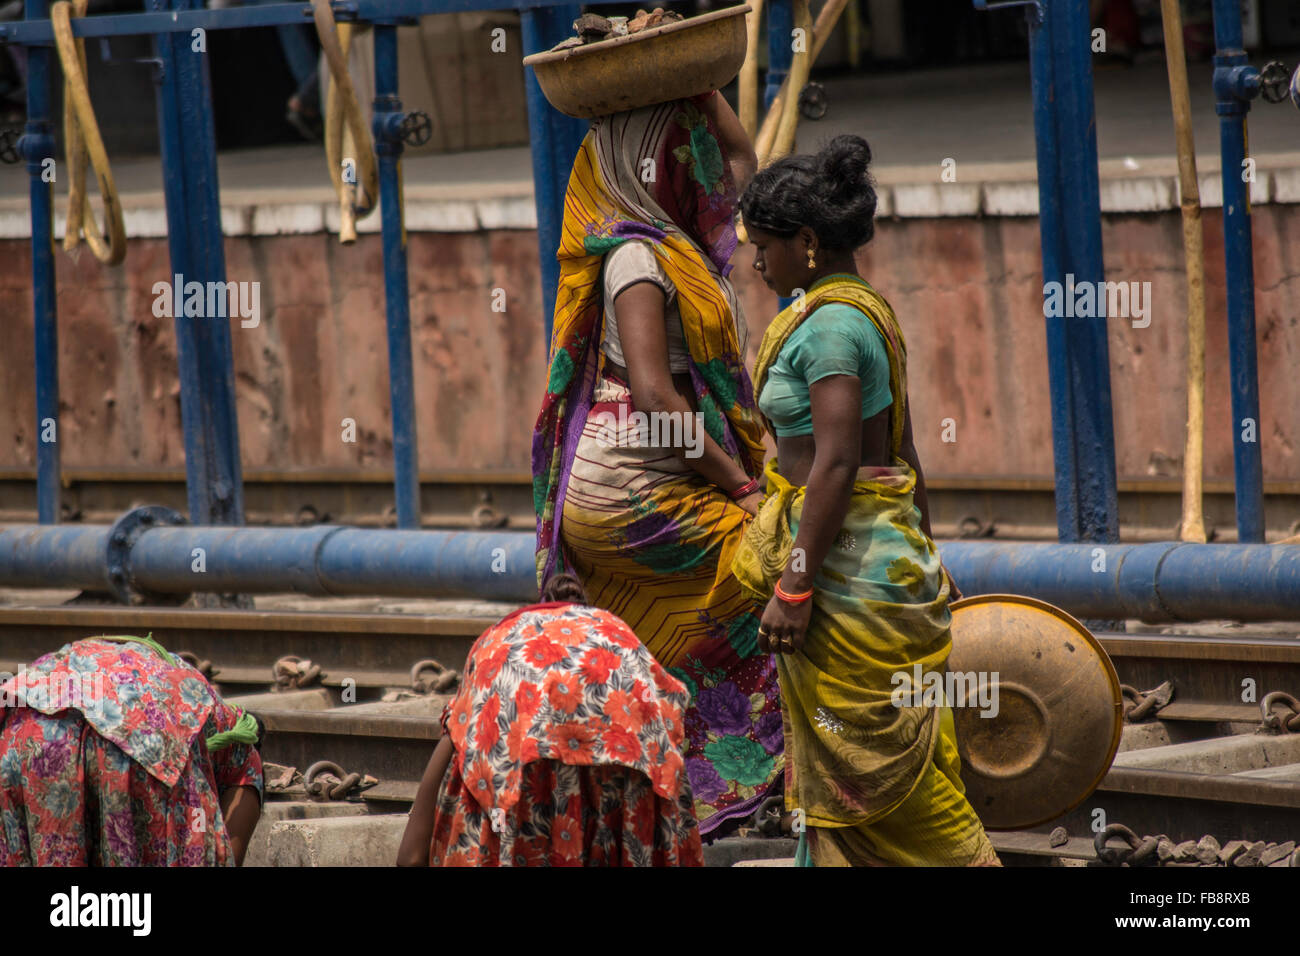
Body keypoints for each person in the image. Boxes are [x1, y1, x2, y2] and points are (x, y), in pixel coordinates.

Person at [732, 134, 1000, 867]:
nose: (757, 262)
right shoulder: (858, 312)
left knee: (897, 792)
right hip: (877, 563)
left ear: (809, 242)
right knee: (857, 786)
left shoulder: (833, 328)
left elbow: (839, 459)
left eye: (765, 247)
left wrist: (794, 580)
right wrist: (928, 550)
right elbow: (903, 453)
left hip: (846, 575)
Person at [530, 91, 784, 837]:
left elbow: (743, 164)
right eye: (681, 157)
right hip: (632, 492)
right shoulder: (637, 257)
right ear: (646, 172)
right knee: (785, 577)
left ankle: (659, 802)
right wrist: (739, 484)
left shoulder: (672, 238)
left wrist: (698, 82)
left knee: (670, 646)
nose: (698, 172)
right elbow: (651, 394)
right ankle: (764, 786)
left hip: (647, 480)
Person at [396, 573, 703, 867]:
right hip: (621, 770)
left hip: (516, 793)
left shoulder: (498, 648)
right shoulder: (620, 639)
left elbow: (409, 857)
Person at [0, 635, 263, 866]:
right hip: (131, 744)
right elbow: (244, 784)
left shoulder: (183, 682)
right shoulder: (236, 738)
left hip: (23, 734)